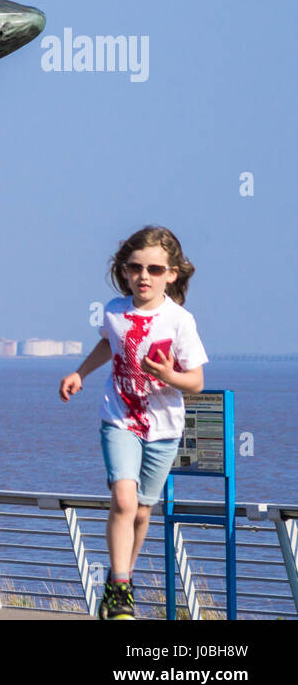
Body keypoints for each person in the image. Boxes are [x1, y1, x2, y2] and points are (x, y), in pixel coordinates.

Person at [58, 226, 208, 620]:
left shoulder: (179, 321)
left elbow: (195, 381)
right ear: (124, 271)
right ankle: (122, 591)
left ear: (172, 274)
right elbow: (109, 342)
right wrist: (80, 374)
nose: (144, 275)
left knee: (141, 512)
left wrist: (168, 375)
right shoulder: (113, 309)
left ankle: (118, 580)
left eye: (155, 269)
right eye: (135, 267)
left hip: (163, 426)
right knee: (123, 501)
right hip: (120, 417)